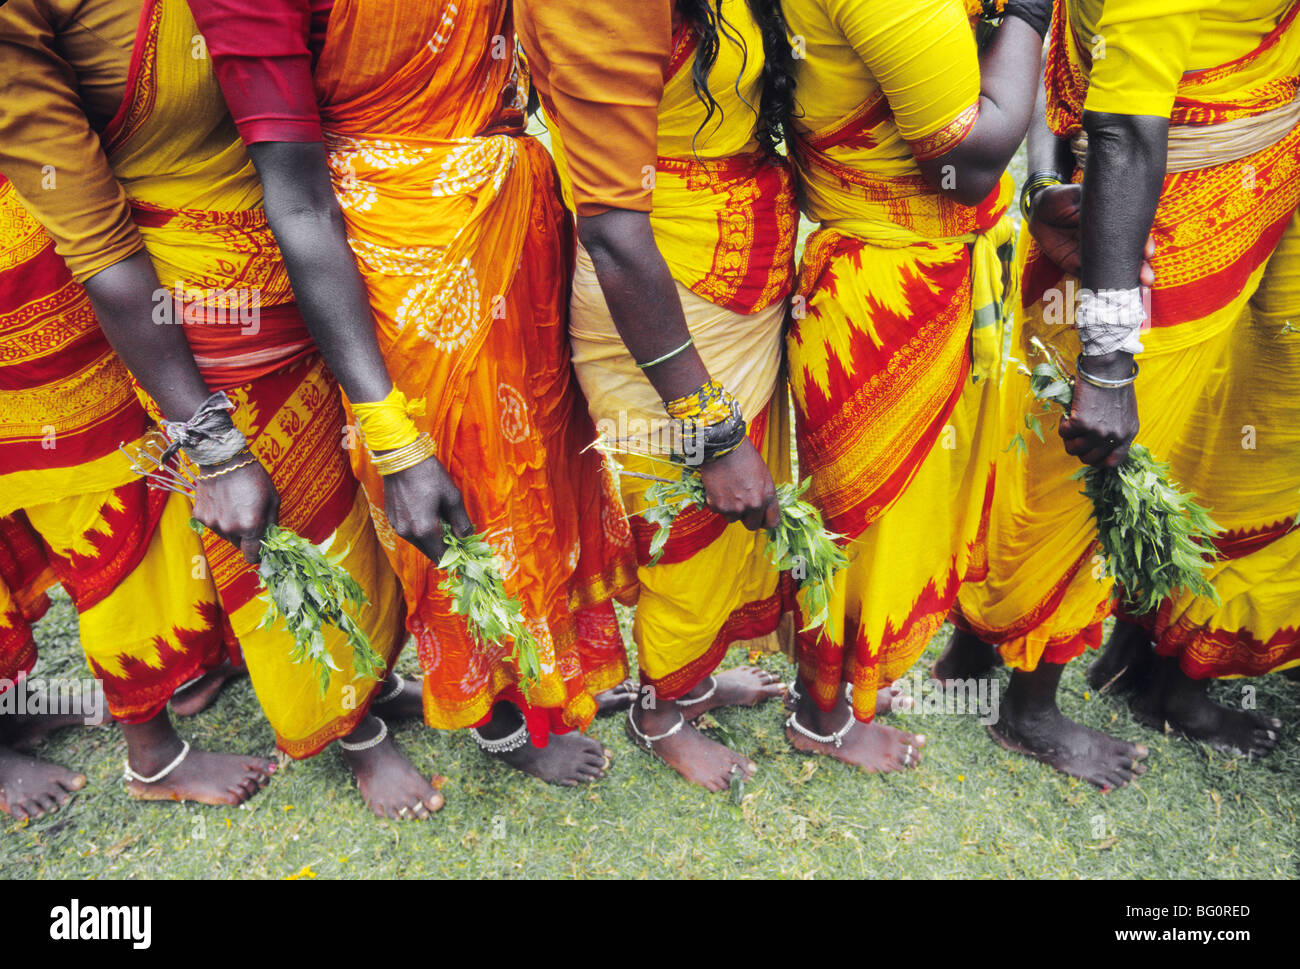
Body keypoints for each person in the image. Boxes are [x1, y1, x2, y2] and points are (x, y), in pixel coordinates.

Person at [0, 0, 443, 819]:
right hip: (155, 285)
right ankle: (334, 726)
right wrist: (213, 444)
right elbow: (96, 240)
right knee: (242, 521)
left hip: (281, 242)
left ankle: (361, 681)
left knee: (331, 500)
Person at [187, 0, 641, 788]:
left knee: (540, 476)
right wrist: (390, 433)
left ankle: (548, 678)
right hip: (403, 262)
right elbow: (296, 200)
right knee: (461, 506)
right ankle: (503, 720)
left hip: (513, 231)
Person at [946, 0, 1300, 780]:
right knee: (1086, 465)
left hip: (1249, 203)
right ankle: (1024, 703)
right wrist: (1108, 361)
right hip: (1144, 237)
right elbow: (1119, 123)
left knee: (1215, 445)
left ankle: (1155, 662)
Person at [517, 0, 795, 792]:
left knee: (720, 524)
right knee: (685, 519)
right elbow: (613, 230)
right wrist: (713, 428)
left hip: (733, 278)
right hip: (657, 298)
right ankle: (660, 709)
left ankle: (692, 679)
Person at [774, 0, 1051, 773]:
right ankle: (820, 713)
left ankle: (848, 685)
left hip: (903, 269)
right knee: (864, 521)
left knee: (894, 510)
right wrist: (1031, 10)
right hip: (889, 288)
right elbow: (972, 163)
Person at [0, 174, 273, 814]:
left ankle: (185, 666)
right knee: (107, 517)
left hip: (55, 262)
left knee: (143, 482)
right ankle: (155, 759)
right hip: (28, 333)